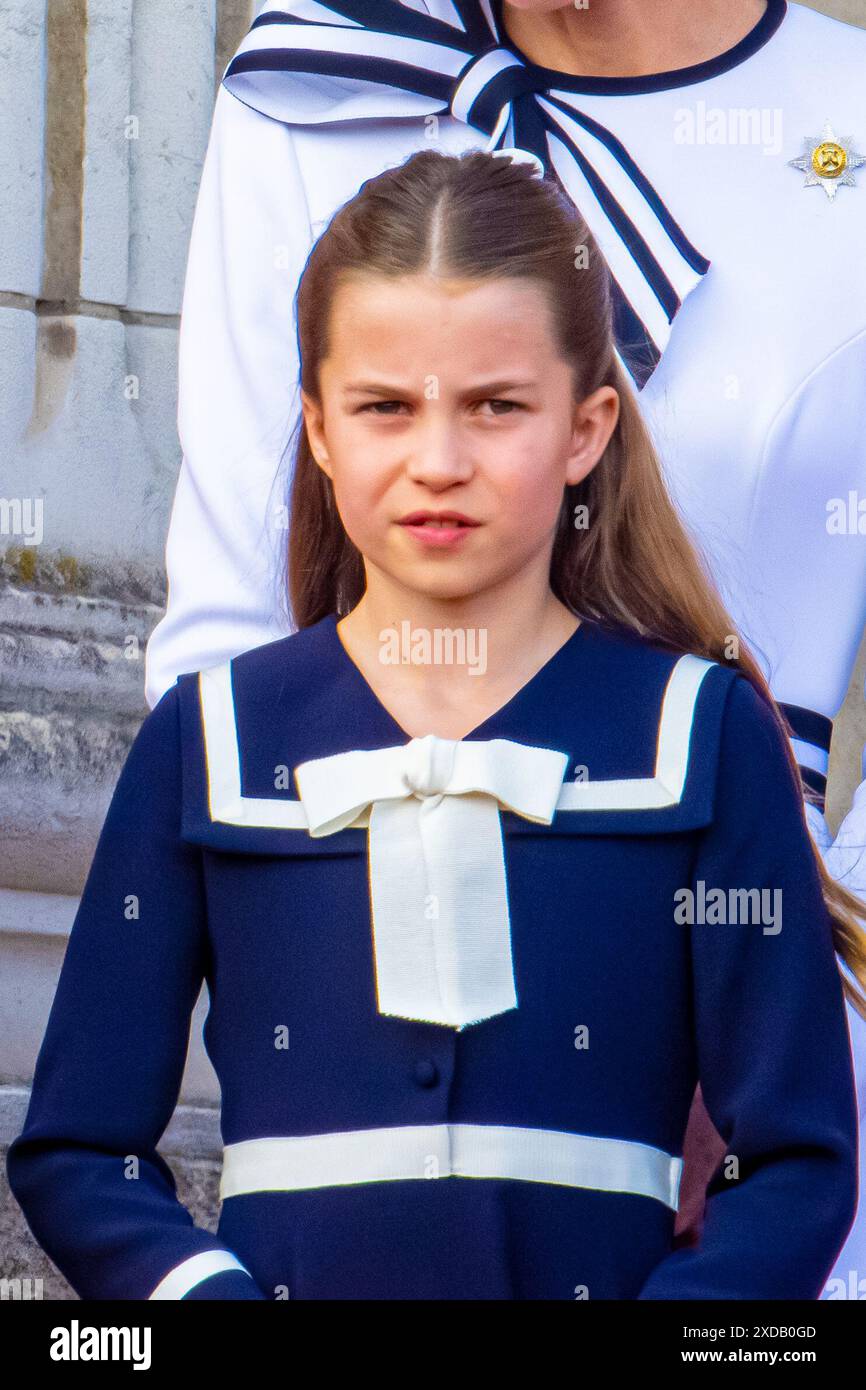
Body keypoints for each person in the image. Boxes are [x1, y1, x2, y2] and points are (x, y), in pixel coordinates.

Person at [6, 149, 862, 1300]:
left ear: (584, 428)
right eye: (384, 408)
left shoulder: (701, 734)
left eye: (495, 406)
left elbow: (798, 1164)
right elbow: (76, 1149)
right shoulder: (206, 739)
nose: (438, 462)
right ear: (316, 428)